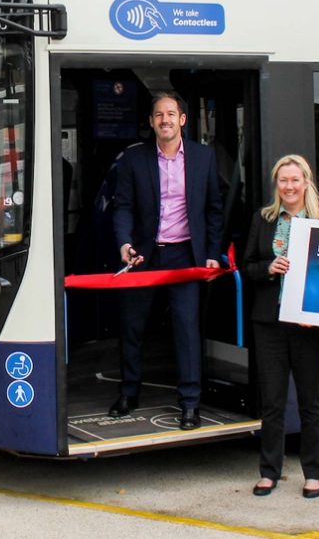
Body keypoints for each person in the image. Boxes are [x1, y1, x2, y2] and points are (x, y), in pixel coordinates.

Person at [109, 92, 224, 430]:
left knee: (186, 330)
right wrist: (125, 243)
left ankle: (190, 404)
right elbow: (123, 207)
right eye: (159, 115)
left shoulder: (203, 158)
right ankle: (129, 392)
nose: (165, 120)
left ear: (182, 120)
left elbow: (213, 211)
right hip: (143, 255)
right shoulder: (134, 159)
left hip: (185, 255)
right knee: (132, 326)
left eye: (171, 114)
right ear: (151, 121)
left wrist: (212, 255)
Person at [243, 155, 319, 499]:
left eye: (295, 180)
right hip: (270, 322)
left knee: (311, 401)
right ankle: (269, 472)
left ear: (306, 182)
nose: (289, 187)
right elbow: (247, 266)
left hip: (308, 324)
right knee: (273, 400)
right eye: (283, 180)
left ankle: (313, 474)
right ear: (276, 185)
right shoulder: (263, 219)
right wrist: (268, 268)